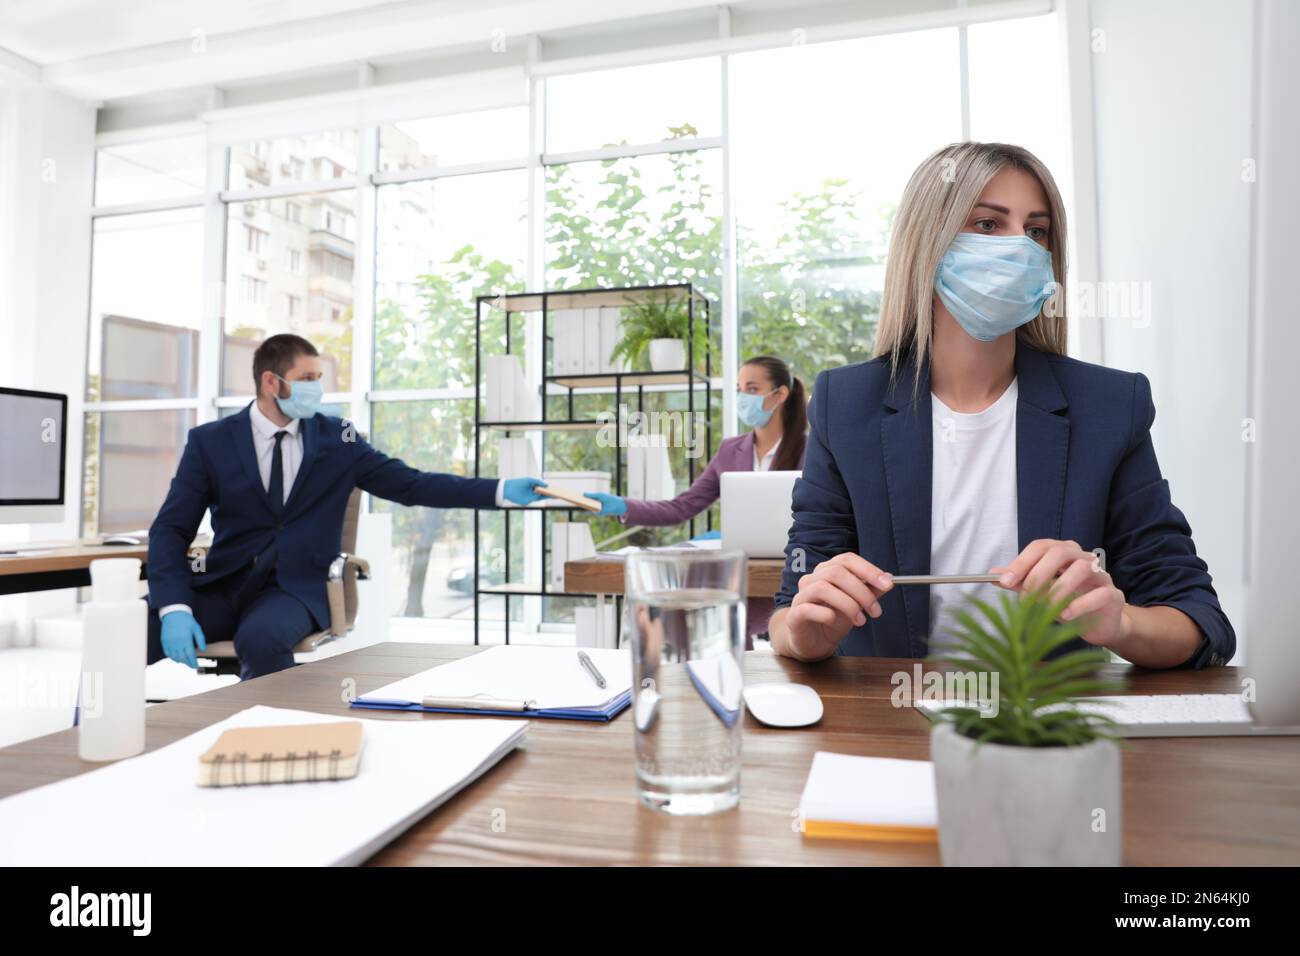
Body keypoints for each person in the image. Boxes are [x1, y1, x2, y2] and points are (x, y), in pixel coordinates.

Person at [768, 142, 1235, 669]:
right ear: (929, 242)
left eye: (1036, 231)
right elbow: (790, 611)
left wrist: (1121, 624)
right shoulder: (845, 405)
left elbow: (1199, 620)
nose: (1020, 248)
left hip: (1044, 725)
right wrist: (807, 633)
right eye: (989, 225)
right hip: (891, 727)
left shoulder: (1110, 406)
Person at [146, 333, 546, 680]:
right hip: (224, 586)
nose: (317, 389)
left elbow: (412, 484)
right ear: (271, 382)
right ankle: (90, 734)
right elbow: (170, 529)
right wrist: (174, 607)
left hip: (292, 591)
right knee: (127, 628)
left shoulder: (340, 438)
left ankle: (271, 745)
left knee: (262, 639)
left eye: (318, 379)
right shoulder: (210, 442)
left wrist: (501, 489)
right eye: (306, 379)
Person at [587, 356, 807, 639]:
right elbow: (684, 506)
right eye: (739, 389)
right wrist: (624, 506)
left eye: (752, 389)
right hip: (736, 574)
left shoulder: (810, 449)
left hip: (792, 573)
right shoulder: (730, 450)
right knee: (689, 613)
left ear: (780, 394)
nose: (743, 398)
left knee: (727, 622)